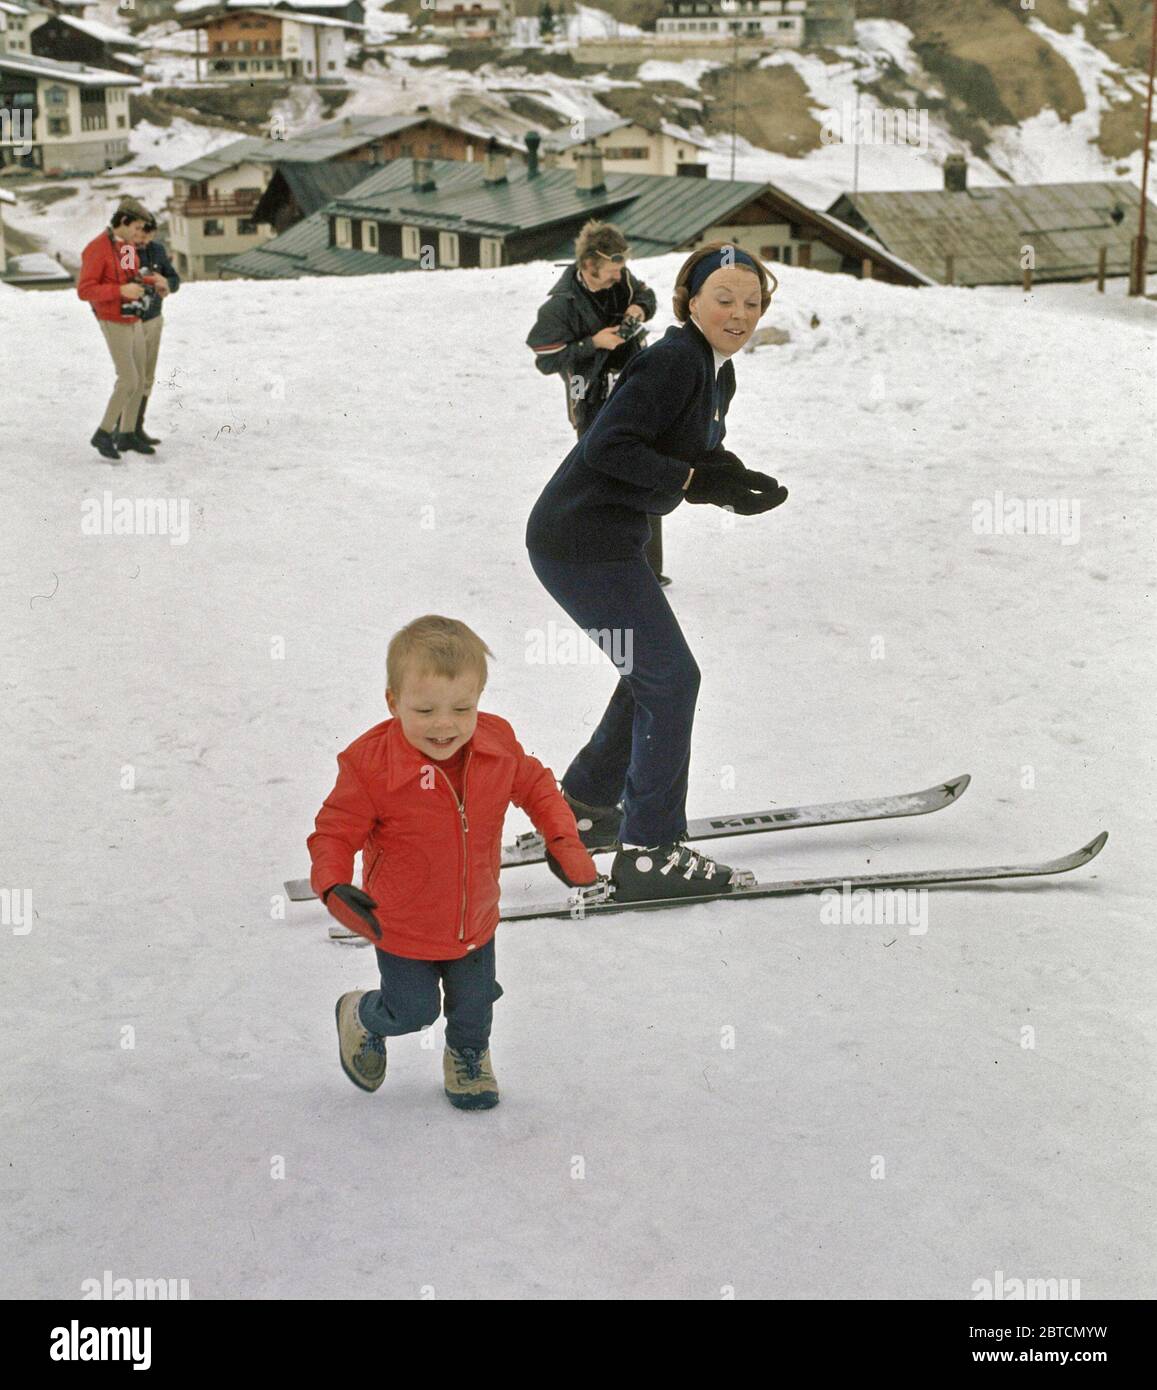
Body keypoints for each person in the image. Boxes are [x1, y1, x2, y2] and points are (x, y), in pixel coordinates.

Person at [525, 243, 788, 903]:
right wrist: (696, 479)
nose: (739, 313)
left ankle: (584, 808)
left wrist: (726, 481)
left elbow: (686, 447)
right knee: (670, 680)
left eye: (751, 302)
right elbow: (608, 444)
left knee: (650, 675)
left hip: (603, 537)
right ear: (689, 300)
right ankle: (649, 850)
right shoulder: (673, 359)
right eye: (723, 298)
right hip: (581, 541)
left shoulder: (711, 369)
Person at [307, 615, 598, 1109]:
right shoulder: (372, 766)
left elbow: (536, 785)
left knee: (474, 1007)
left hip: (475, 920)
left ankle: (468, 1057)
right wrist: (333, 884)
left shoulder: (495, 745)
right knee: (412, 1011)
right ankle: (362, 1015)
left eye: (462, 708)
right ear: (393, 702)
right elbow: (334, 830)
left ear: (479, 699)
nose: (445, 725)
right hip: (400, 926)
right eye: (425, 710)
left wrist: (562, 838)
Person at [526, 219, 671, 585]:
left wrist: (638, 310)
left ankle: (649, 570)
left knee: (644, 472)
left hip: (633, 389)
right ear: (590, 264)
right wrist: (593, 344)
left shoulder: (621, 278)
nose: (618, 276)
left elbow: (647, 296)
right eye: (611, 270)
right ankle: (602, 561)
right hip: (588, 398)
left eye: (621, 269)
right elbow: (545, 356)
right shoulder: (560, 306)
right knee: (599, 478)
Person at [76, 198, 168, 461]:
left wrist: (153, 281)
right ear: (124, 222)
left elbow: (132, 277)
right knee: (127, 379)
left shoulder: (127, 247)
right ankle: (103, 432)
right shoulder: (96, 248)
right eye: (136, 227)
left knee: (139, 378)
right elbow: (85, 290)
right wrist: (118, 291)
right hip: (112, 318)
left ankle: (127, 433)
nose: (138, 234)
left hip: (133, 317)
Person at [134, 215, 180, 447]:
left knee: (147, 376)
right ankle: (122, 426)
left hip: (153, 318)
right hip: (130, 321)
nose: (142, 238)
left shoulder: (158, 251)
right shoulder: (124, 252)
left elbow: (174, 278)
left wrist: (167, 284)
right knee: (130, 376)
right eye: (138, 233)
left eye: (146, 234)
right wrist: (152, 280)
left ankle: (136, 426)